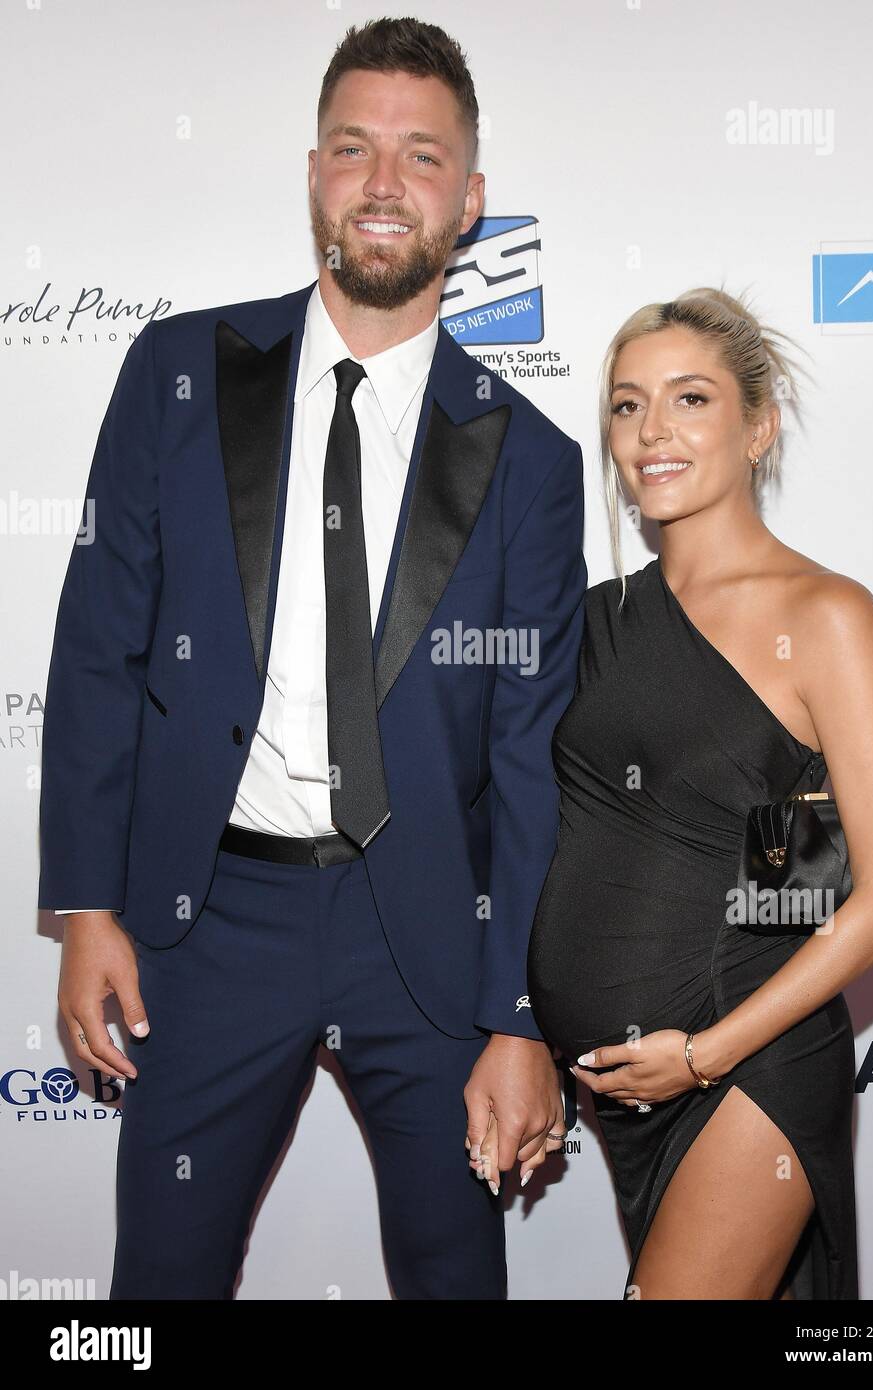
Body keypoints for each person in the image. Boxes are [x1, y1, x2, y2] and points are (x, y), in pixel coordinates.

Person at [38, 17, 586, 1300]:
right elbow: (97, 646)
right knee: (154, 1289)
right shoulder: (177, 373)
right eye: (354, 149)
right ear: (312, 173)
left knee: (457, 1280)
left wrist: (518, 1018)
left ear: (471, 199)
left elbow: (529, 757)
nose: (384, 184)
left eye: (421, 157)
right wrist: (86, 905)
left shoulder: (531, 461)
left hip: (432, 934)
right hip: (210, 921)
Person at [527, 288, 873, 1300]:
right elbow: (782, 864)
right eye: (626, 405)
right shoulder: (590, 622)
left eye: (689, 399)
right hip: (623, 1088)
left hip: (742, 1068)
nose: (652, 430)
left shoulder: (824, 613)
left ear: (758, 426)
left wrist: (702, 1052)